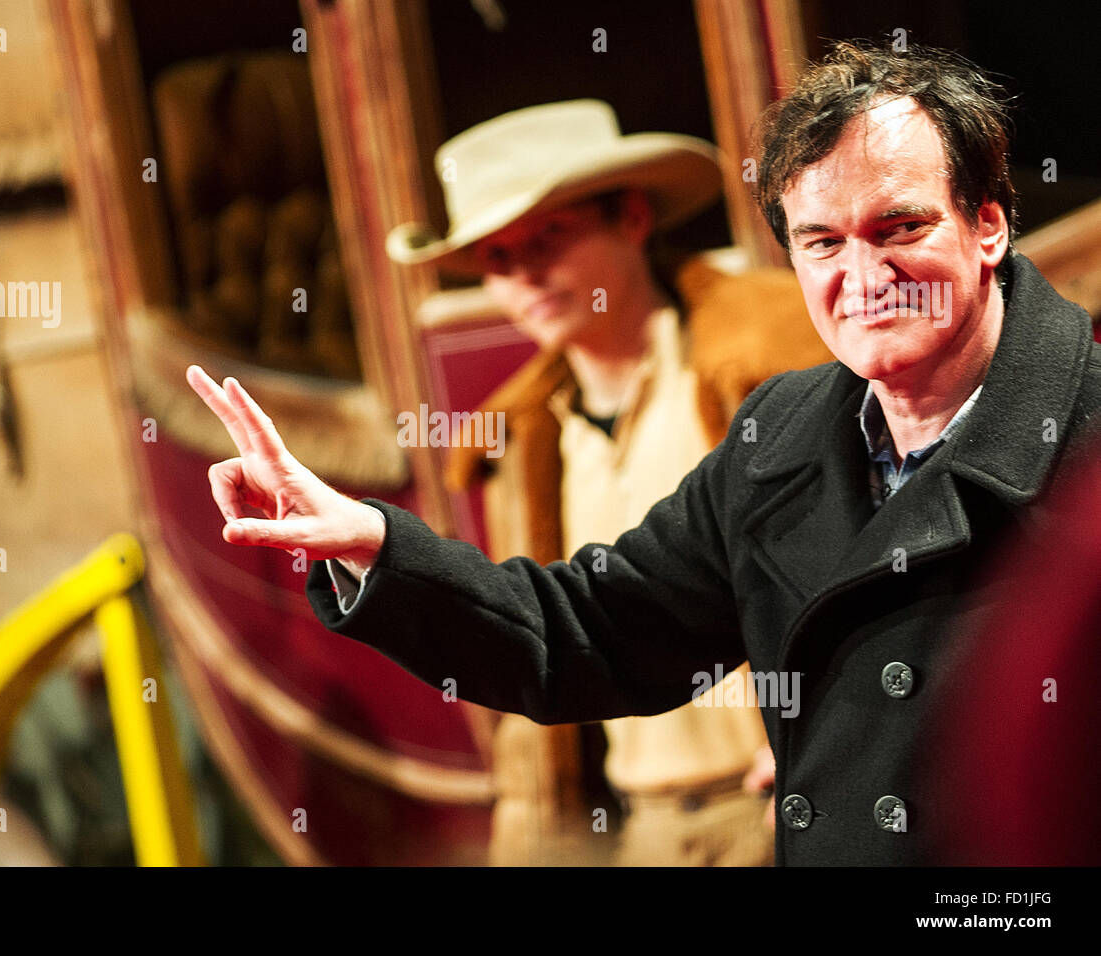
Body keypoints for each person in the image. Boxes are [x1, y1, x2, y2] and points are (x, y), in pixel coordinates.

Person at [186, 42, 1101, 865]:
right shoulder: (779, 433)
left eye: (901, 229)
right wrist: (371, 545)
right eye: (822, 242)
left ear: (988, 225)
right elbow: (588, 630)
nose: (862, 279)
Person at [383, 99, 830, 866]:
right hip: (644, 823)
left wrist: (831, 750)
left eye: (549, 236)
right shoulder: (523, 442)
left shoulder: (754, 369)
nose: (525, 275)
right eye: (496, 258)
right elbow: (546, 649)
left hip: (790, 800)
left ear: (629, 217)